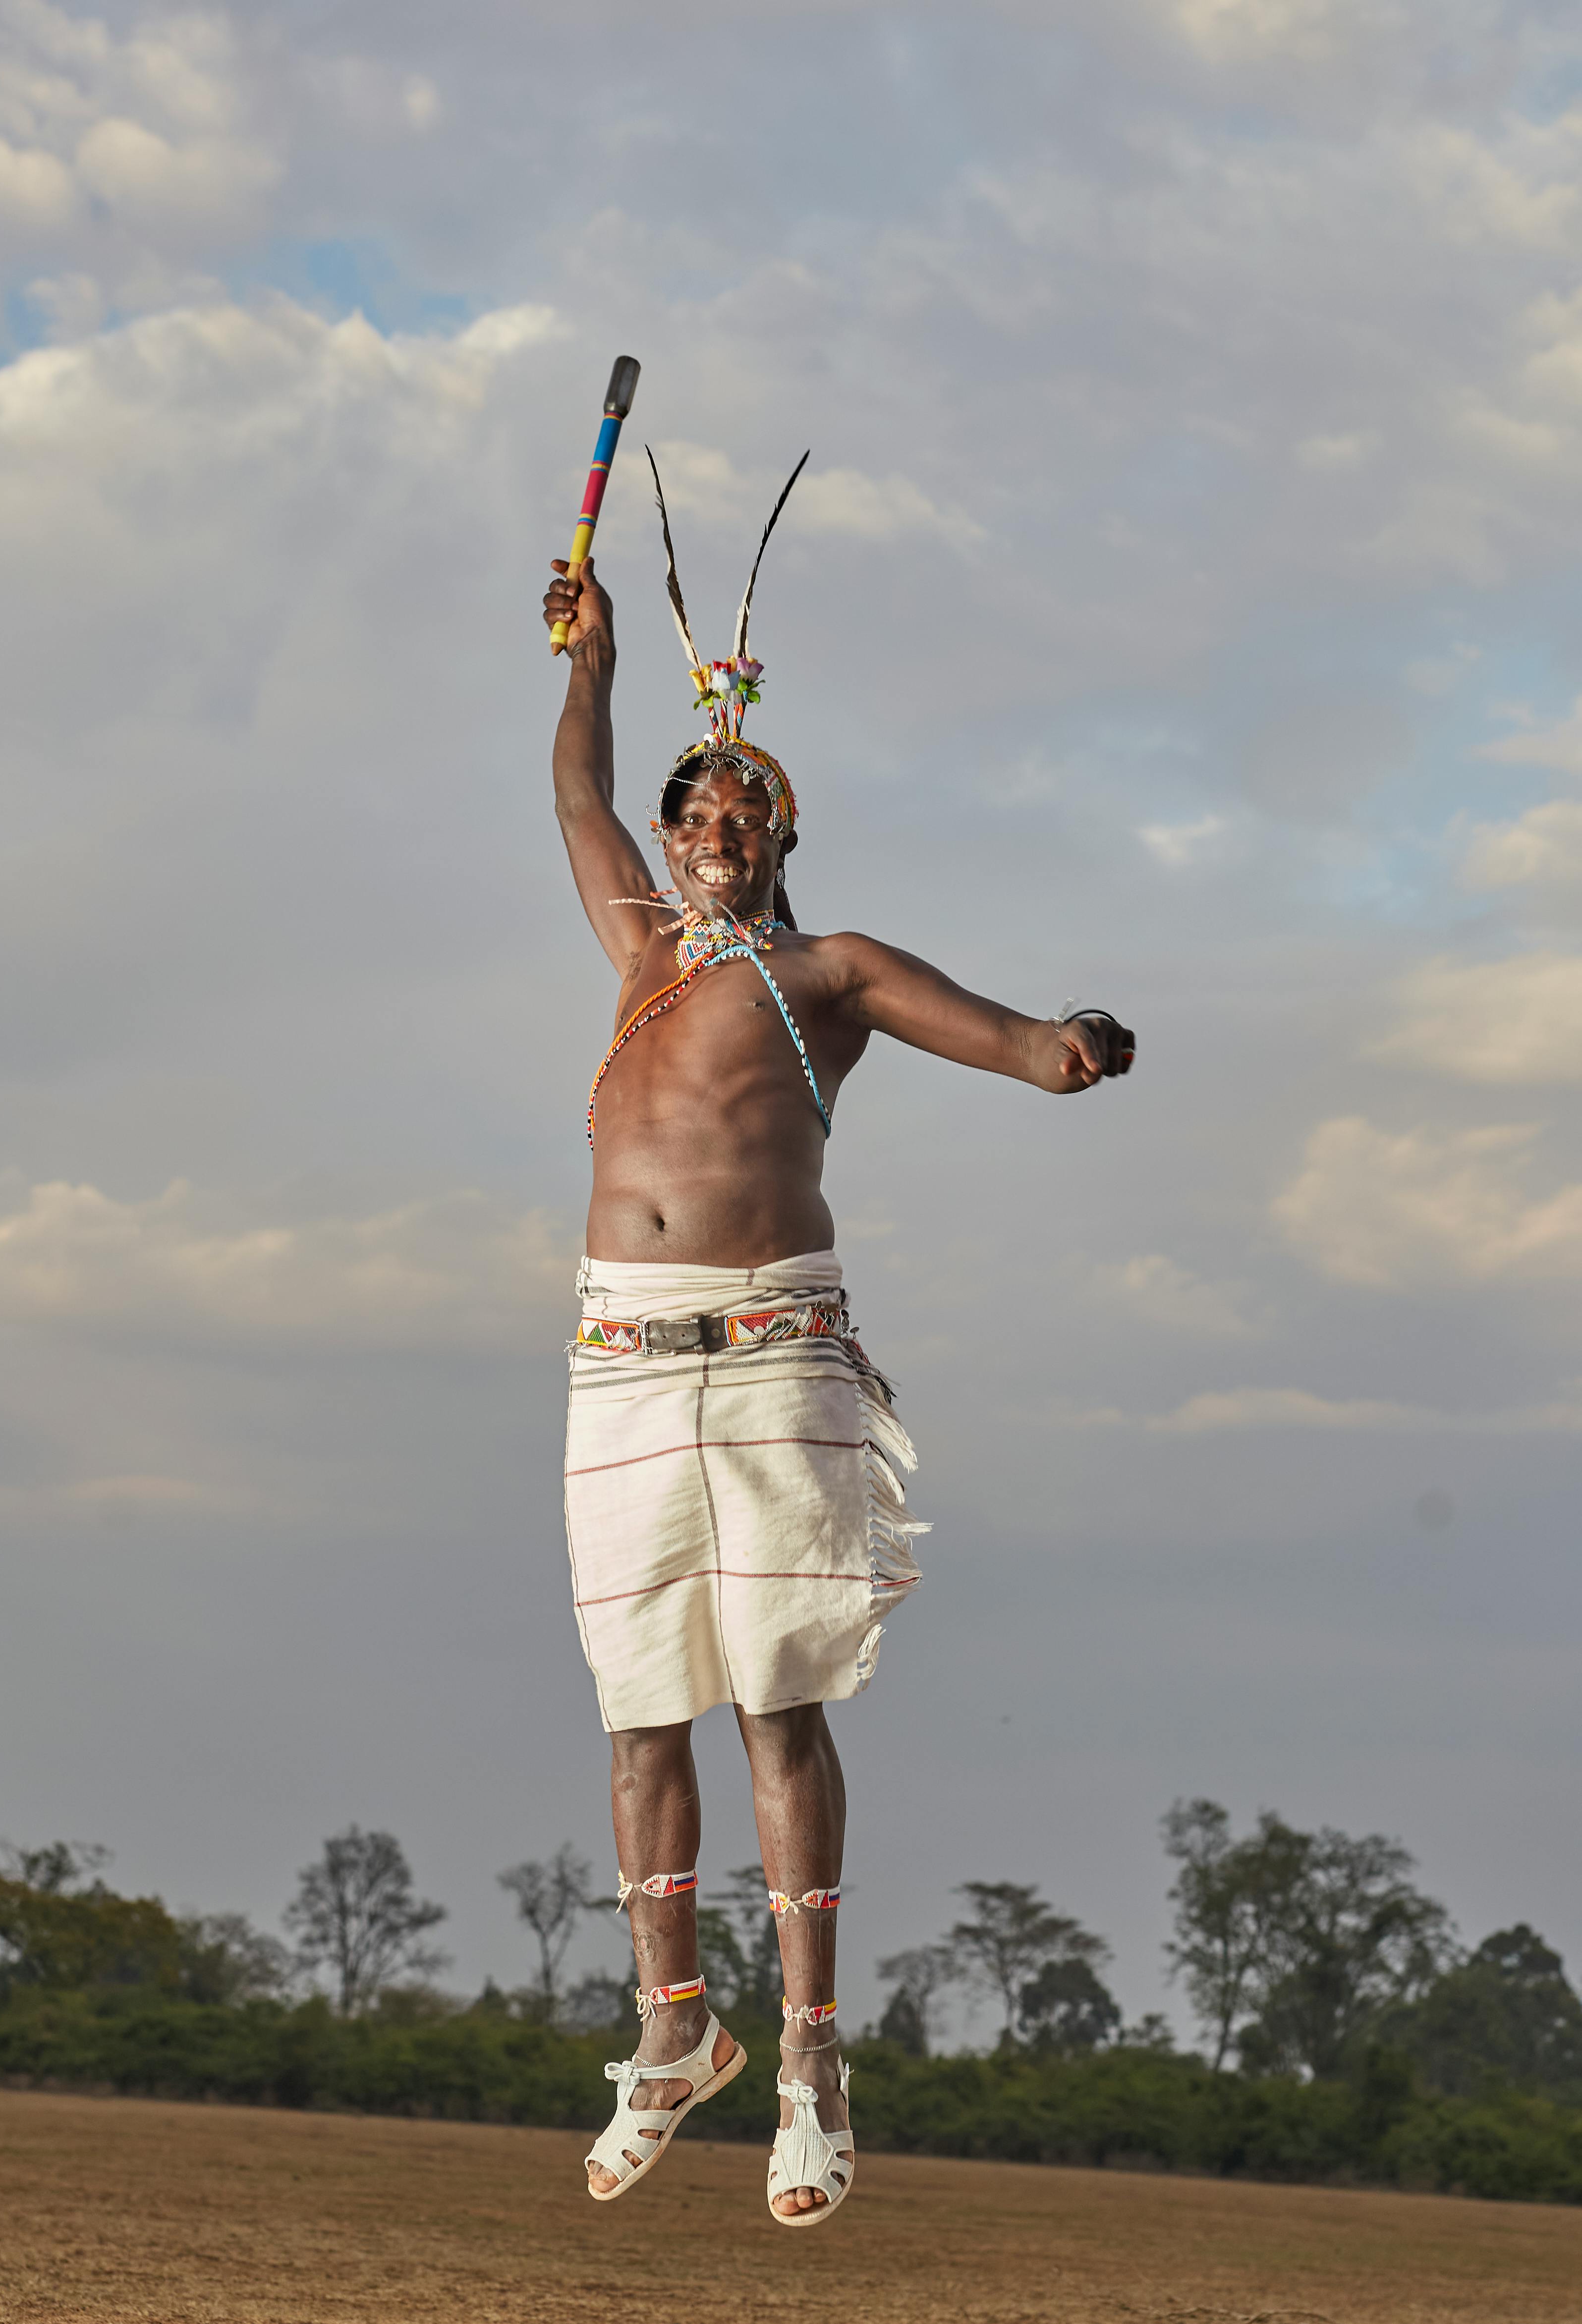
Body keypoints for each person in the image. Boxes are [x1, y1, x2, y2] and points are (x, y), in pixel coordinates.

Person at [545, 457, 1133, 2225]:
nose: (711, 830)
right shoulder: (636, 944)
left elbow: (1021, 1041)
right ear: (669, 842)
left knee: (773, 1706)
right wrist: (589, 653)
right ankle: (673, 2034)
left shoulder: (831, 971)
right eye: (693, 813)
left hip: (780, 1349)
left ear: (781, 837)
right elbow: (571, 776)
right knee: (639, 1712)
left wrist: (1078, 1041)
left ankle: (810, 2066)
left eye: (741, 814)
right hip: (622, 1356)